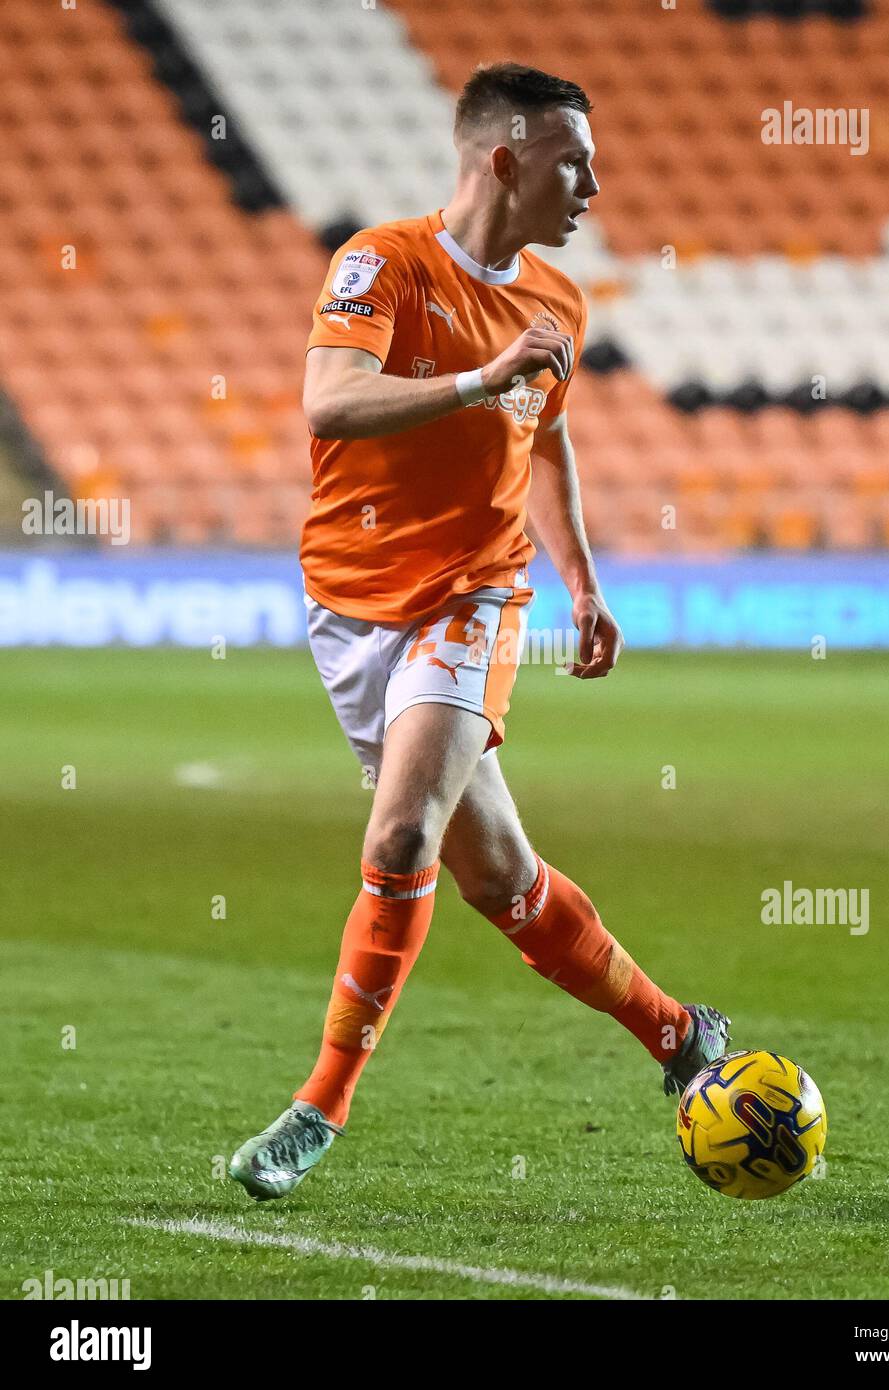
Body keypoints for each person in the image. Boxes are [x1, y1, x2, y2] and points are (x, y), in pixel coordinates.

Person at [230, 62, 729, 1201]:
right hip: (348, 603)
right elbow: (330, 399)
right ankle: (676, 1033)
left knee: (400, 836)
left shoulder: (558, 303)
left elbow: (540, 437)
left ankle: (319, 1107)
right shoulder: (383, 264)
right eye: (574, 161)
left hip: (474, 594)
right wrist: (477, 376)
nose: (593, 185)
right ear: (503, 157)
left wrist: (580, 581)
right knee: (497, 872)